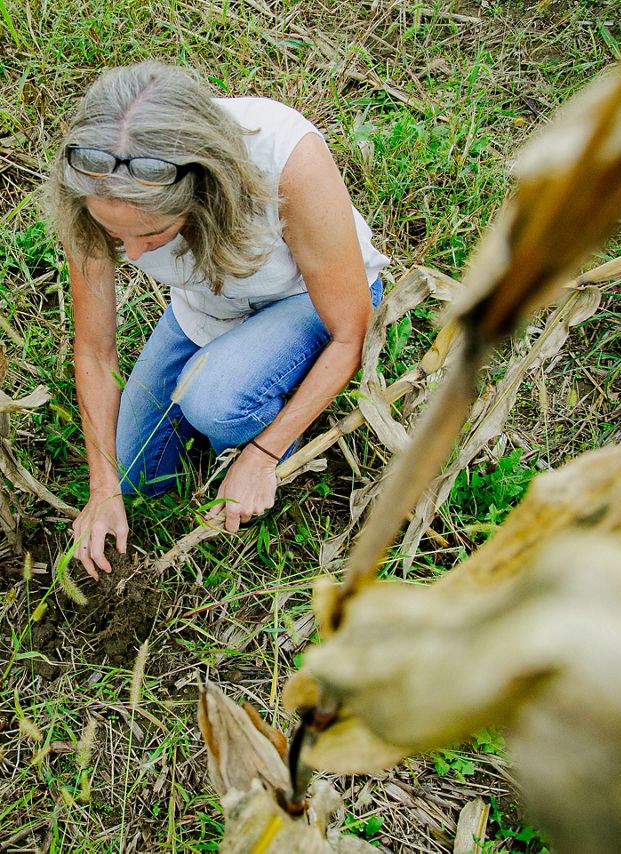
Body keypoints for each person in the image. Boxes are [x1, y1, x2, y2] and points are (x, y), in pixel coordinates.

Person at [44, 62, 389, 579]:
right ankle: (231, 382)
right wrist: (103, 490)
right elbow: (95, 350)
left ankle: (261, 444)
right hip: (210, 307)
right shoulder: (92, 185)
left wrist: (262, 453)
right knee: (136, 476)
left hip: (308, 300)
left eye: (153, 235)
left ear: (205, 194)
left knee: (217, 404)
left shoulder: (287, 160)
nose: (132, 255)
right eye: (116, 237)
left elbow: (351, 330)